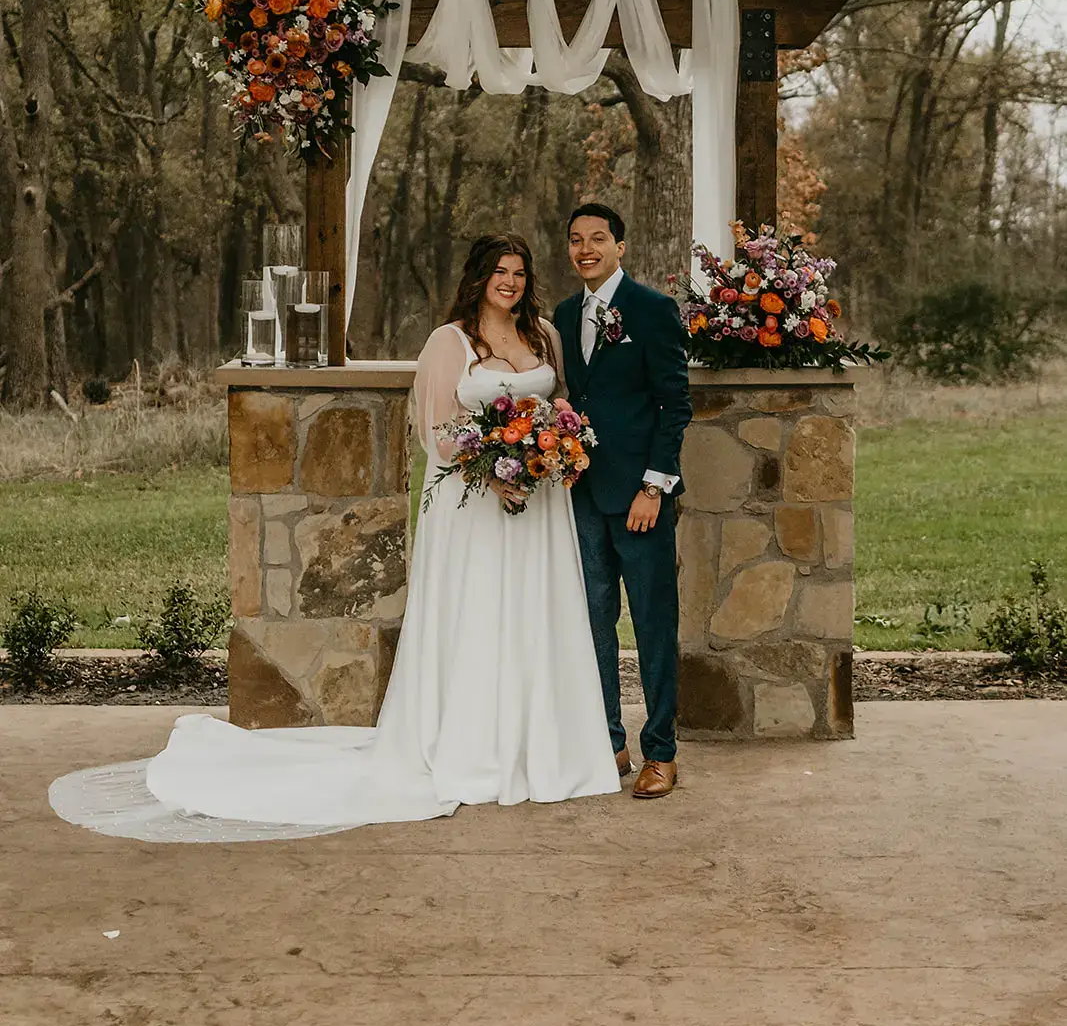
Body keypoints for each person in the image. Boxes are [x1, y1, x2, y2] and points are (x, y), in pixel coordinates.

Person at [50, 233, 619, 841]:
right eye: (500, 272)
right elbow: (436, 432)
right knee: (476, 618)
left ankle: (540, 749)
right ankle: (474, 747)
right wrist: (497, 466)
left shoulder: (544, 338)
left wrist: (541, 457)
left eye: (519, 272)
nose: (511, 282)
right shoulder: (448, 342)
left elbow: (557, 406)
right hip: (473, 504)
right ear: (478, 277)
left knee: (534, 618)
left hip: (538, 508)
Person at [554, 204, 692, 799]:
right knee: (593, 626)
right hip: (580, 495)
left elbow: (674, 405)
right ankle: (609, 741)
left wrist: (652, 487)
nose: (587, 249)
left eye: (599, 239)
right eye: (576, 240)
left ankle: (661, 751)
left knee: (654, 626)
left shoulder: (653, 310)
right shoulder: (561, 316)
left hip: (641, 500)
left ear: (621, 247)